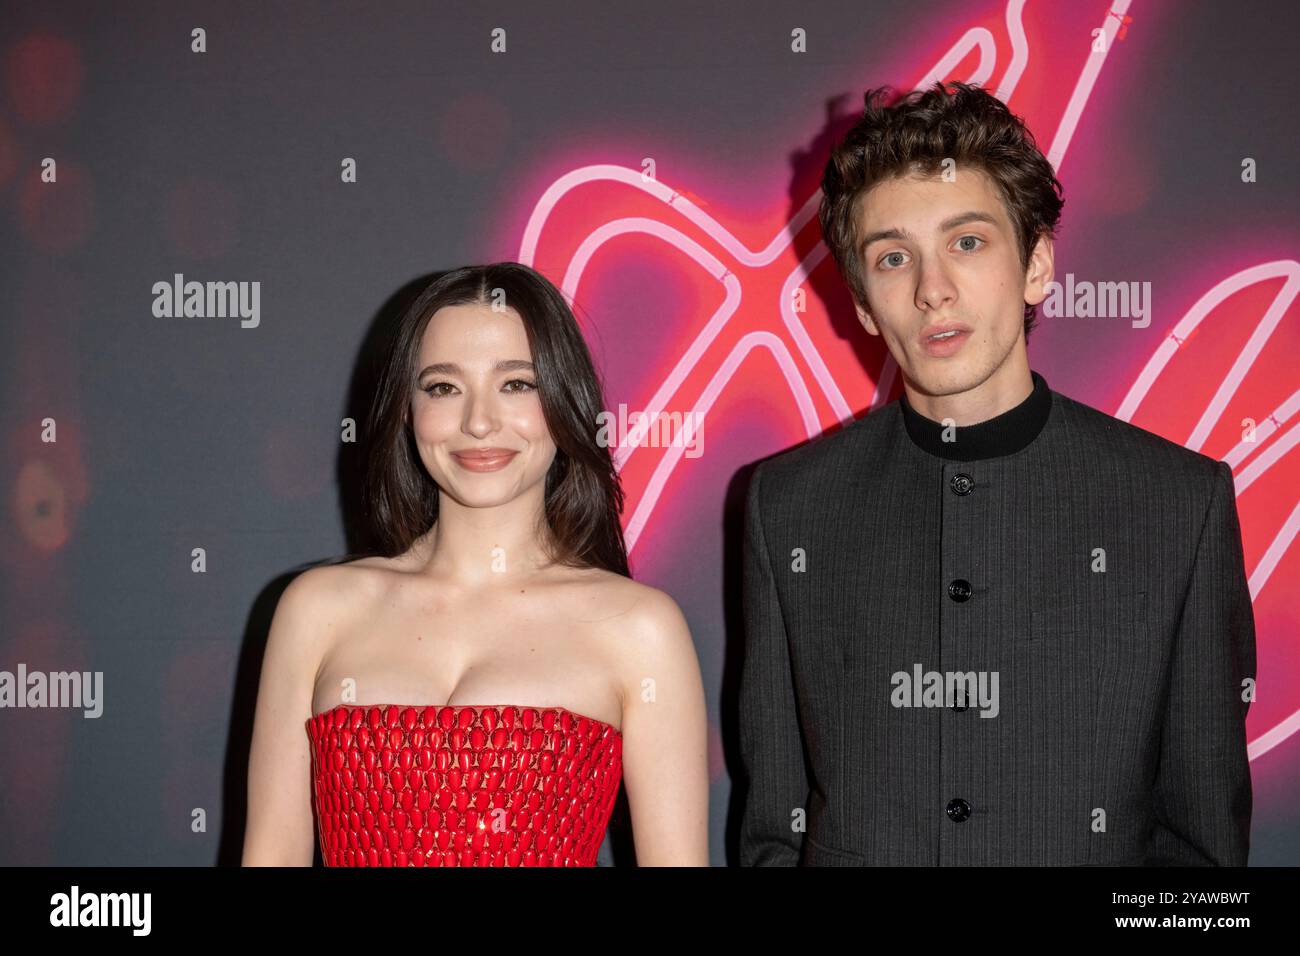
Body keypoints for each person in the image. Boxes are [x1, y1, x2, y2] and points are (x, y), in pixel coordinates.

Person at [738, 82, 1255, 865]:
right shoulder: (788, 508)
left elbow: (1200, 864)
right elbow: (774, 837)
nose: (932, 287)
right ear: (866, 305)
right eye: (892, 257)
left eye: (968, 242)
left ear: (1037, 265)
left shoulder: (1180, 506)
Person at [243, 262, 708, 866]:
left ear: (566, 403)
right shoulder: (317, 609)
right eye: (443, 387)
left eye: (517, 384)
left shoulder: (639, 629)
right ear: (408, 412)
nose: (479, 421)